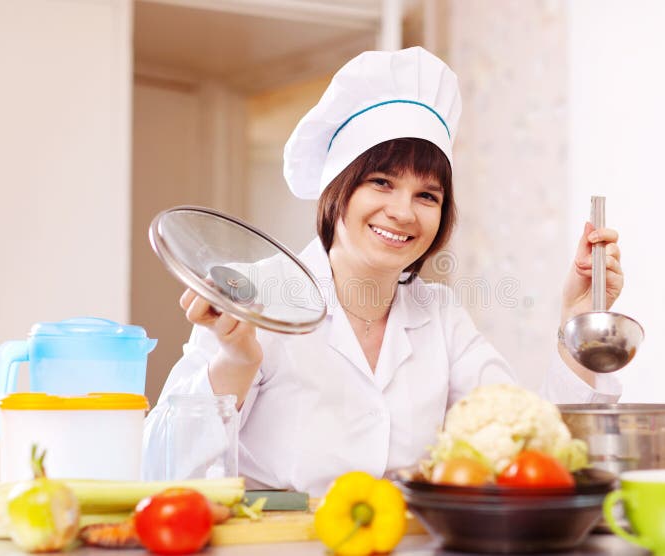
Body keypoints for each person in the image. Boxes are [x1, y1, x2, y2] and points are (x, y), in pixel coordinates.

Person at [142, 47, 624, 495]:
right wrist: (236, 360)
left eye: (427, 196)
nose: (403, 212)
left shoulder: (440, 315)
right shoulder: (257, 294)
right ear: (337, 190)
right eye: (381, 182)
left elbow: (536, 447)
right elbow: (164, 472)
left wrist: (579, 323)